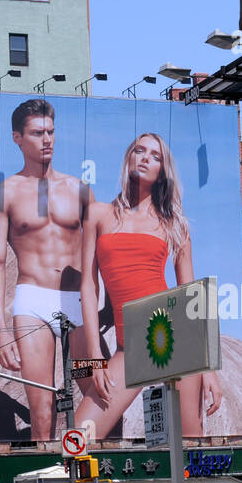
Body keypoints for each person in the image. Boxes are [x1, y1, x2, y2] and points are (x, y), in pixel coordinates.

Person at [75, 133, 221, 439]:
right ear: (128, 158)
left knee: (190, 449)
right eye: (139, 151)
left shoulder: (174, 224)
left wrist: (208, 367)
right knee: (79, 437)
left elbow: (192, 295)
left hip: (175, 338)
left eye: (154, 156)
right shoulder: (99, 214)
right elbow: (88, 286)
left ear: (162, 171)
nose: (145, 158)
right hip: (131, 348)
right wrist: (94, 358)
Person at [0, 99, 94, 441]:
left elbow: (96, 255)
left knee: (94, 389)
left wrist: (100, 308)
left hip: (77, 303)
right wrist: (0, 329)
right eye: (36, 133)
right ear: (18, 138)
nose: (46, 139)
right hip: (32, 304)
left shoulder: (79, 190)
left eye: (50, 132)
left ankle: (94, 476)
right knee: (41, 405)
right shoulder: (4, 194)